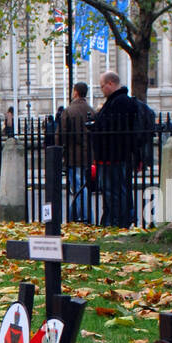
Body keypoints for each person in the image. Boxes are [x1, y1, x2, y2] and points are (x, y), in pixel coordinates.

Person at [91, 71, 136, 228]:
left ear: (110, 84)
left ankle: (118, 220)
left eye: (102, 86)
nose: (102, 90)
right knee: (113, 190)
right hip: (110, 155)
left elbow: (111, 127)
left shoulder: (120, 102)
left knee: (114, 190)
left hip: (113, 155)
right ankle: (114, 218)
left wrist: (96, 125)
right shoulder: (115, 101)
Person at [60, 81, 94, 223]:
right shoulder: (91, 110)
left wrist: (58, 153)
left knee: (79, 187)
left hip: (73, 156)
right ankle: (75, 215)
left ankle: (85, 217)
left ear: (76, 92)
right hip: (87, 156)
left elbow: (61, 134)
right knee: (81, 186)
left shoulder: (69, 111)